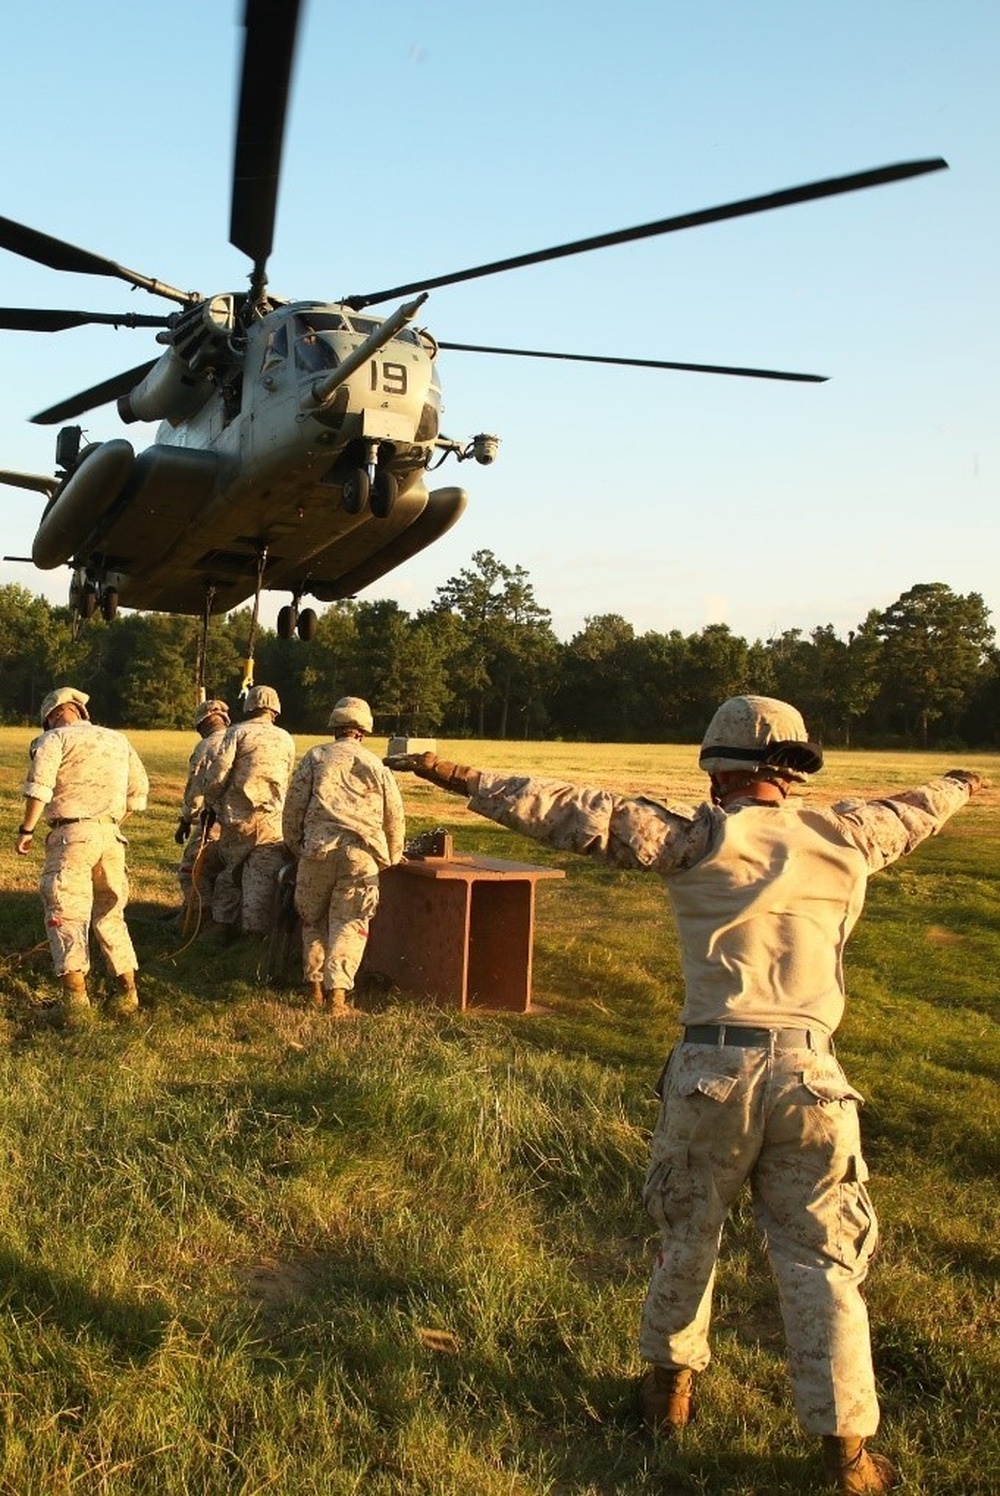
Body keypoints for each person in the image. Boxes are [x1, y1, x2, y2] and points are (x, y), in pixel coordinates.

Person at [387, 696, 989, 1495]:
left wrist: (449, 771)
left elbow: (569, 812)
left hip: (713, 1071)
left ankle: (667, 1393)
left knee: (687, 1237)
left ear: (718, 772)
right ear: (796, 769)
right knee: (824, 1265)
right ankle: (846, 1451)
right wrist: (959, 778)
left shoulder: (695, 838)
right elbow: (921, 808)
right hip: (815, 1078)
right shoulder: (853, 835)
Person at [14, 686, 149, 1020]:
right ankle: (128, 994)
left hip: (70, 835)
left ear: (52, 716)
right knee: (110, 913)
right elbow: (138, 793)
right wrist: (108, 820)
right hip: (111, 835)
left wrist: (27, 830)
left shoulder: (54, 740)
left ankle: (75, 1003)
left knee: (66, 910)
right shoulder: (118, 740)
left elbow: (40, 786)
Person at [282, 696, 405, 1015]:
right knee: (350, 924)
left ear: (335, 726)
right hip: (360, 856)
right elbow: (394, 816)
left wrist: (297, 845)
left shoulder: (316, 756)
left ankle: (314, 989)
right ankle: (338, 998)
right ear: (363, 730)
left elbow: (293, 807)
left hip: (317, 852)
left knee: (312, 919)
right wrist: (391, 856)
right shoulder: (375, 765)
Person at [199, 684, 296, 938]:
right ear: (275, 709)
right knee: (262, 877)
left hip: (238, 818)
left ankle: (222, 926)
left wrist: (209, 801)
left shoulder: (236, 733)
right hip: (272, 819)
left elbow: (219, 774)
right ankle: (254, 934)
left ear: (249, 706)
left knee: (230, 872)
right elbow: (286, 777)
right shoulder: (286, 738)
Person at [174, 698, 230, 924]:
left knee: (191, 871)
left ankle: (199, 918)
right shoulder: (241, 739)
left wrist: (186, 819)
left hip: (213, 821)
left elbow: (195, 790)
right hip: (245, 821)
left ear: (201, 725)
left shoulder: (206, 746)